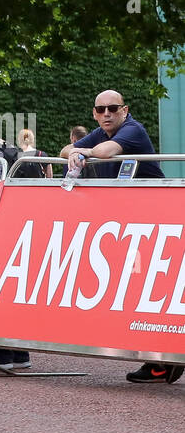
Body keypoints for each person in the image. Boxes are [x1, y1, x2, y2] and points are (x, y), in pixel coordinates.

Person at [60, 90, 177, 383]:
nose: (107, 113)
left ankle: (163, 361)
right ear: (95, 113)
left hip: (156, 222)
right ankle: (161, 361)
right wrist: (75, 150)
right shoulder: (100, 132)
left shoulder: (132, 129)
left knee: (150, 291)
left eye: (113, 108)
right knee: (140, 291)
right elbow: (64, 150)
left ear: (124, 110)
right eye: (101, 109)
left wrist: (82, 150)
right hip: (132, 223)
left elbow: (105, 152)